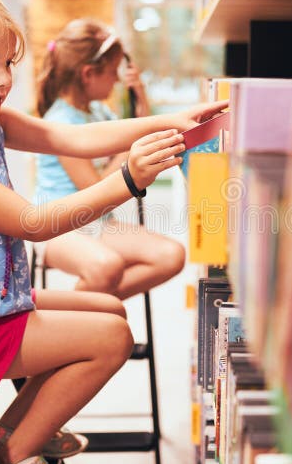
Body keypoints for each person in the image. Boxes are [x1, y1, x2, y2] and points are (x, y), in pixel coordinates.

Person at [0, 0, 227, 464]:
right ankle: (16, 455)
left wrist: (170, 120)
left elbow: (71, 136)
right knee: (112, 340)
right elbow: (34, 222)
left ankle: (10, 432)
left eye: (8, 63)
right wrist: (129, 178)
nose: (3, 80)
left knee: (109, 307)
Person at [34, 18, 185, 299]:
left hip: (97, 223)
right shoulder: (61, 122)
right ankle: (74, 326)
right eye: (113, 72)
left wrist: (139, 93)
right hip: (57, 227)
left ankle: (91, 310)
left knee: (171, 256)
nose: (117, 79)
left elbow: (141, 133)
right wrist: (130, 155)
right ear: (88, 74)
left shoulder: (96, 112)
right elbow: (94, 189)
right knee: (105, 268)